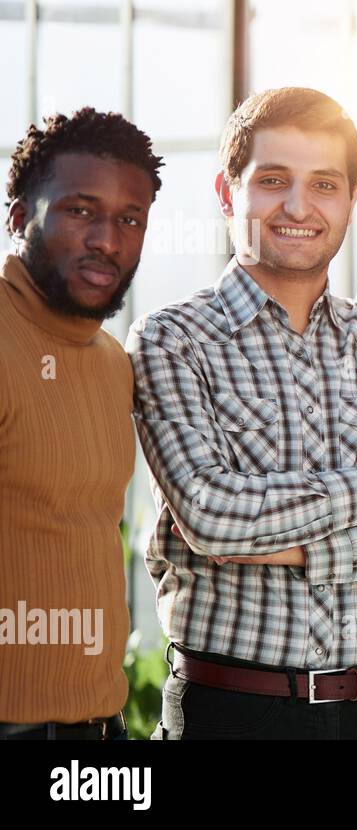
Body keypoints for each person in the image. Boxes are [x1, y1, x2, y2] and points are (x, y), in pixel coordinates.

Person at [127, 87, 357, 740]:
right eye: (272, 180)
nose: (298, 206)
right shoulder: (171, 339)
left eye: (324, 183)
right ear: (228, 192)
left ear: (350, 200)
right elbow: (211, 515)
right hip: (230, 714)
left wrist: (294, 550)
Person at [0, 109, 162, 741]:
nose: (107, 240)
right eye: (80, 211)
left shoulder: (111, 362)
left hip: (100, 726)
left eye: (130, 219)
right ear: (18, 216)